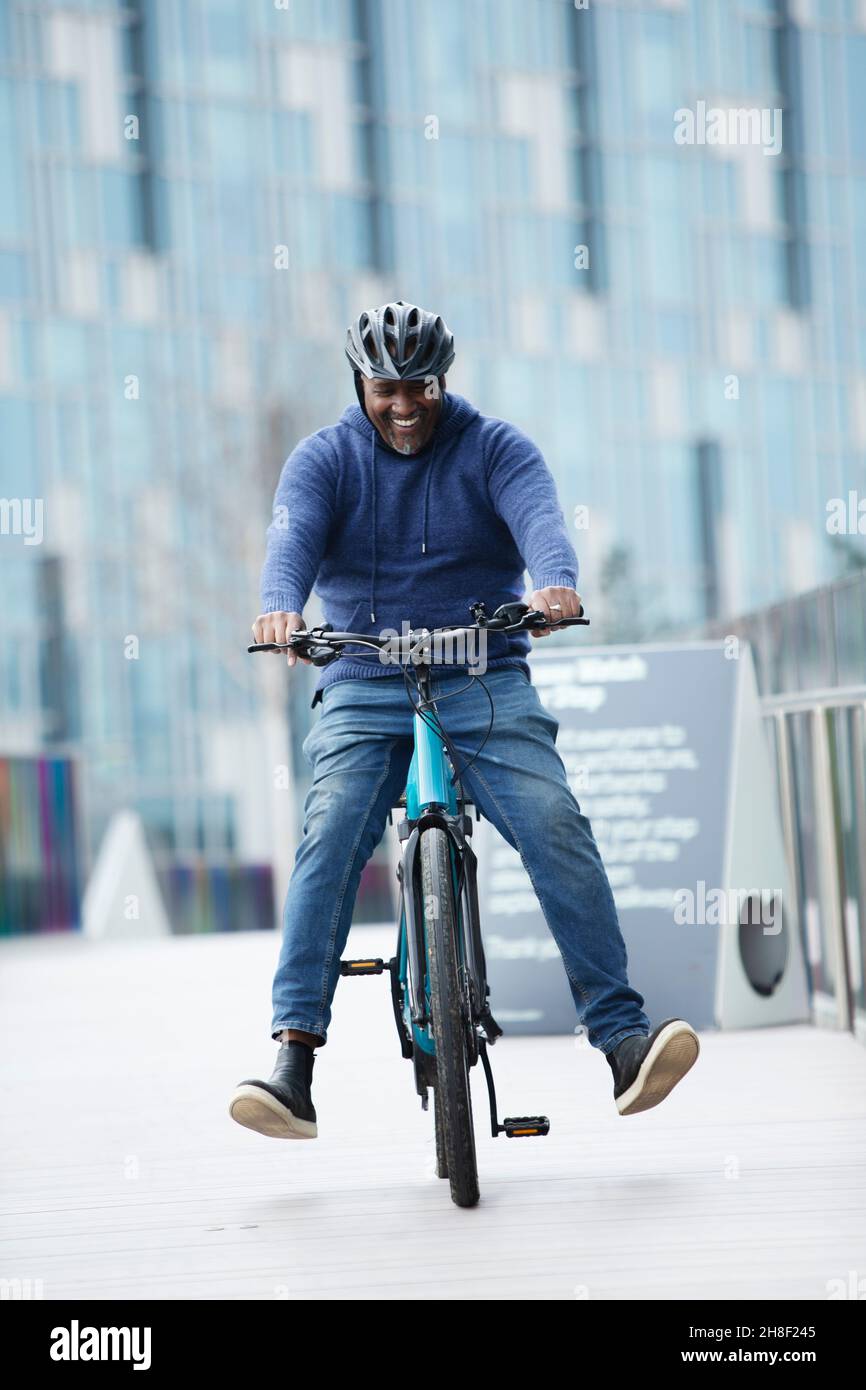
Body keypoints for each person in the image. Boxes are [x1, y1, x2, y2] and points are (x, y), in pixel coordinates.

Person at [229, 300, 699, 1141]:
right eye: (386, 388)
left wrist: (553, 583)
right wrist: (278, 610)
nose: (404, 405)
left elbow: (540, 520)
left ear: (444, 382)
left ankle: (623, 1042)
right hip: (364, 679)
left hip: (483, 677)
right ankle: (293, 1063)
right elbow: (291, 540)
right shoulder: (324, 459)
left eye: (421, 386)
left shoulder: (494, 448)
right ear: (361, 384)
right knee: (329, 831)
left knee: (556, 824)